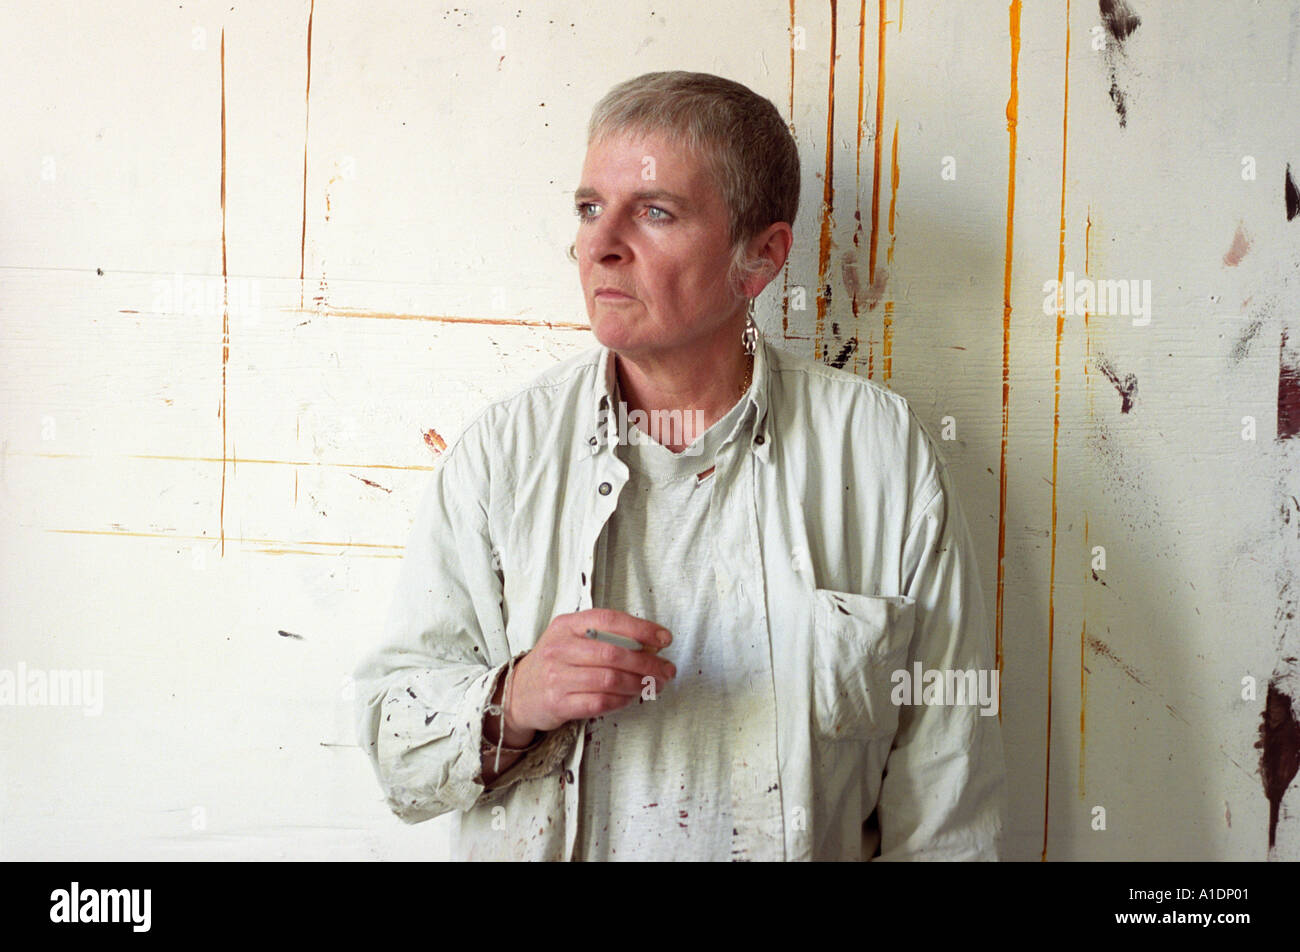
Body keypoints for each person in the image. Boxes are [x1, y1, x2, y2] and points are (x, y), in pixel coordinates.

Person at [353, 70, 1005, 861]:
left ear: (759, 259)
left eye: (654, 212)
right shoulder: (504, 455)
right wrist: (517, 697)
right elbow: (395, 746)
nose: (600, 243)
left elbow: (946, 799)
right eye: (590, 208)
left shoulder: (878, 453)